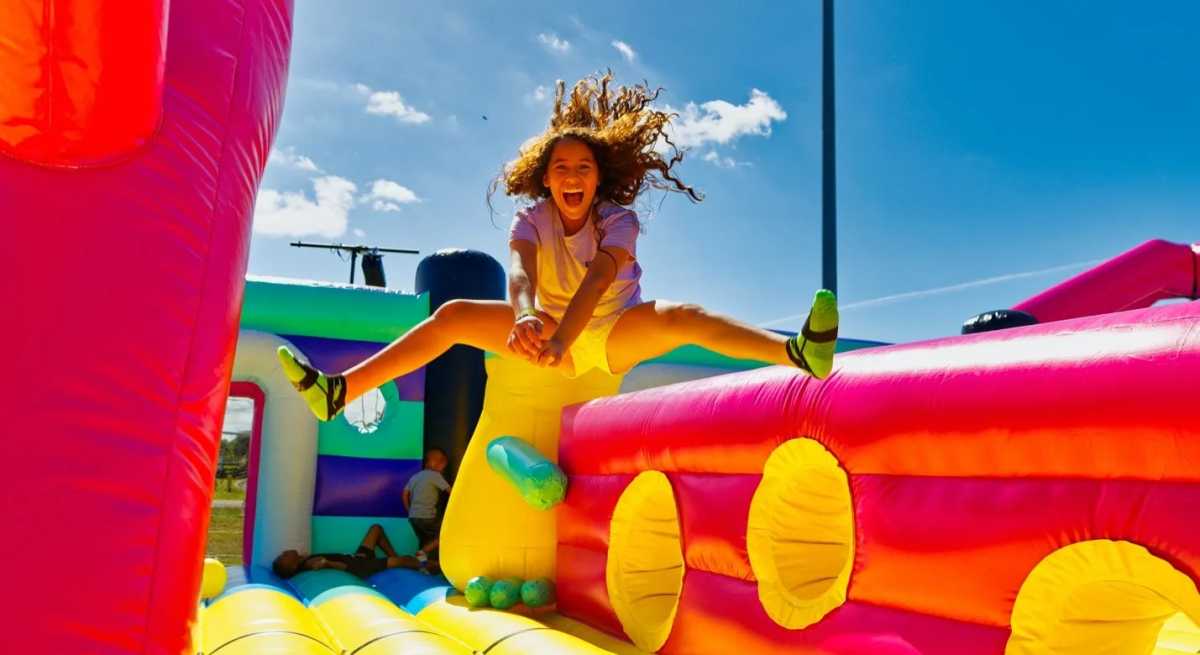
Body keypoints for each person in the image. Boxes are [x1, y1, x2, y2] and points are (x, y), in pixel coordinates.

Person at [275, 72, 839, 423]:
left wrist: (564, 340)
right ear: (545, 178)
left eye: (583, 168)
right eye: (561, 167)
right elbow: (520, 272)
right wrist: (524, 319)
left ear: (598, 179)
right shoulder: (531, 219)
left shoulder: (618, 220)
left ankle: (795, 352)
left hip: (610, 330)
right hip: (546, 323)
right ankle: (340, 391)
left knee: (683, 316)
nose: (572, 176)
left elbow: (598, 280)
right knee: (451, 317)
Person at [271, 523, 435, 579]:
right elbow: (323, 565)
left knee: (375, 529)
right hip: (359, 567)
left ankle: (403, 561)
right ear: (293, 567)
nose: (284, 552)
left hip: (356, 559)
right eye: (284, 556)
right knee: (405, 560)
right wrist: (326, 563)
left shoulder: (304, 559)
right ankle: (434, 566)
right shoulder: (307, 564)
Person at [404, 448, 451, 561]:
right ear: (437, 463)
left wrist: (409, 510)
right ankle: (422, 552)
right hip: (427, 516)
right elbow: (450, 491)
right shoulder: (435, 476)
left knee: (425, 541)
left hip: (413, 517)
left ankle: (422, 564)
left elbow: (405, 494)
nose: (442, 469)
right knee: (444, 535)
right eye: (443, 465)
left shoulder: (415, 476)